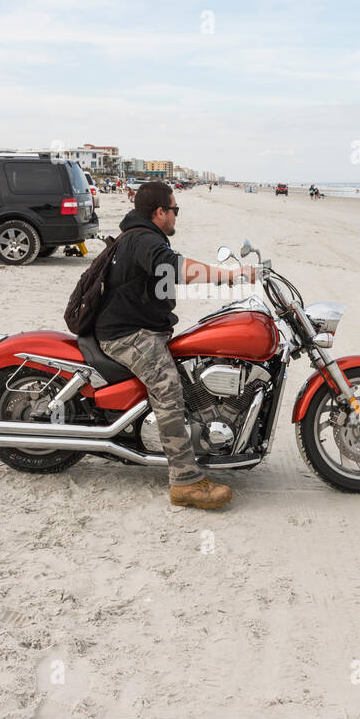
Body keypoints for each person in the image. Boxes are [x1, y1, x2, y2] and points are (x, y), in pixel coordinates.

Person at [94, 183, 256, 510]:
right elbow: (176, 269)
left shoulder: (141, 237)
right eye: (175, 210)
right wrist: (229, 275)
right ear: (160, 212)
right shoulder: (143, 239)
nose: (176, 215)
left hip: (143, 327)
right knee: (167, 386)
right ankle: (184, 480)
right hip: (126, 334)